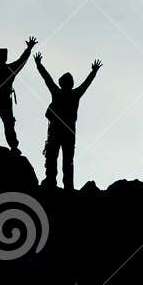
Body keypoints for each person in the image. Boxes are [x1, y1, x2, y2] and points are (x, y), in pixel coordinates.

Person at [33, 53, 101, 190]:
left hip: (58, 132)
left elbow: (47, 79)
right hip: (67, 133)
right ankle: (66, 186)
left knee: (55, 158)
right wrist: (93, 72)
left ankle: (54, 183)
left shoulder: (58, 93)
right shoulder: (74, 94)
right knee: (65, 160)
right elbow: (86, 84)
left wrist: (39, 65)